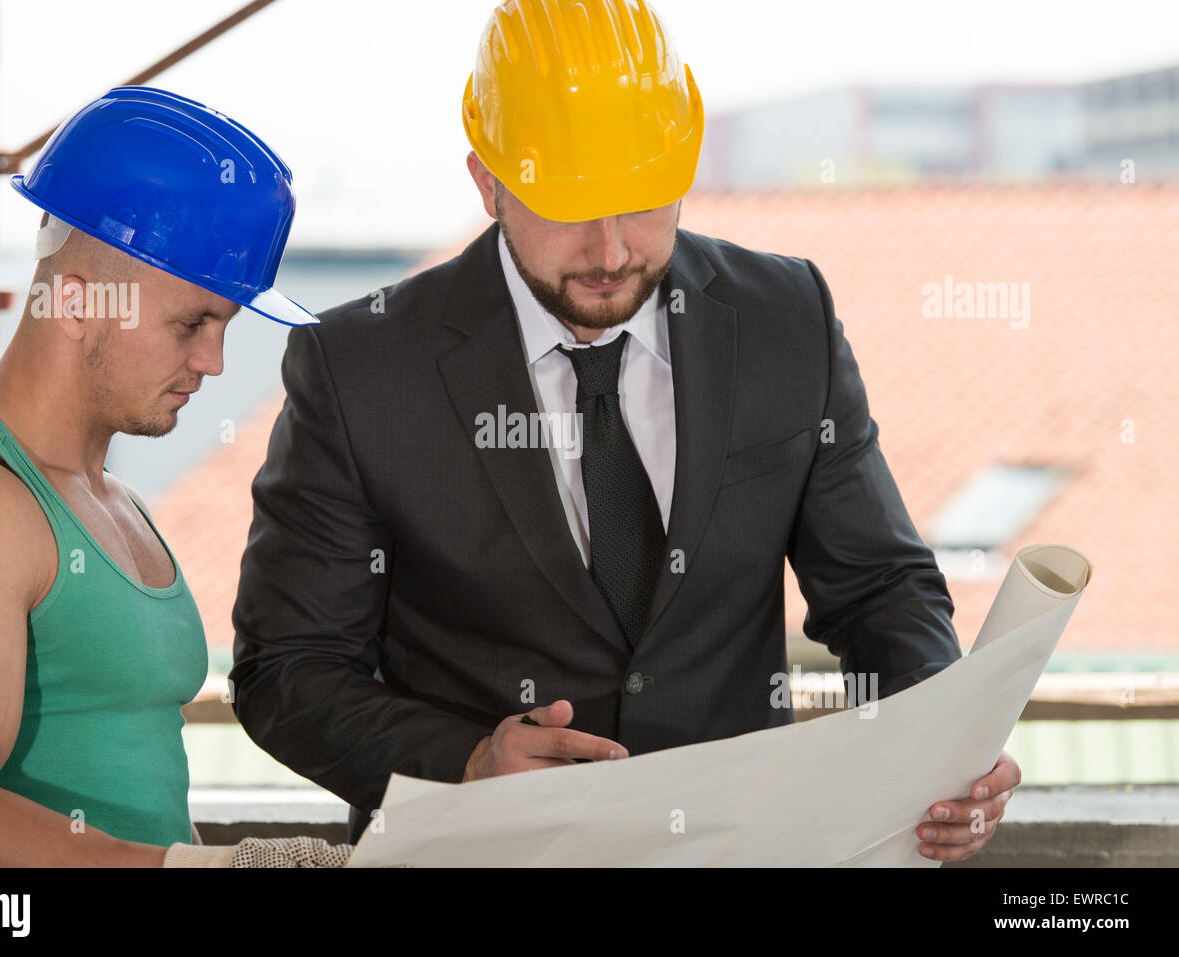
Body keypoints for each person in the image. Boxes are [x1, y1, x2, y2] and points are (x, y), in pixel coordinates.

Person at [230, 0, 1020, 864]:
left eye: (642, 201)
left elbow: (879, 588)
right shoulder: (362, 366)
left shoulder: (784, 318)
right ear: (487, 182)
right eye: (569, 206)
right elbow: (287, 670)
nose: (610, 251)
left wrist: (940, 747)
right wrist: (465, 762)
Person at [0, 86, 349, 867]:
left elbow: (138, 803)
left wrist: (222, 859)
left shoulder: (115, 502)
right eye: (191, 323)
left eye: (224, 328)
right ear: (75, 299)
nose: (213, 361)